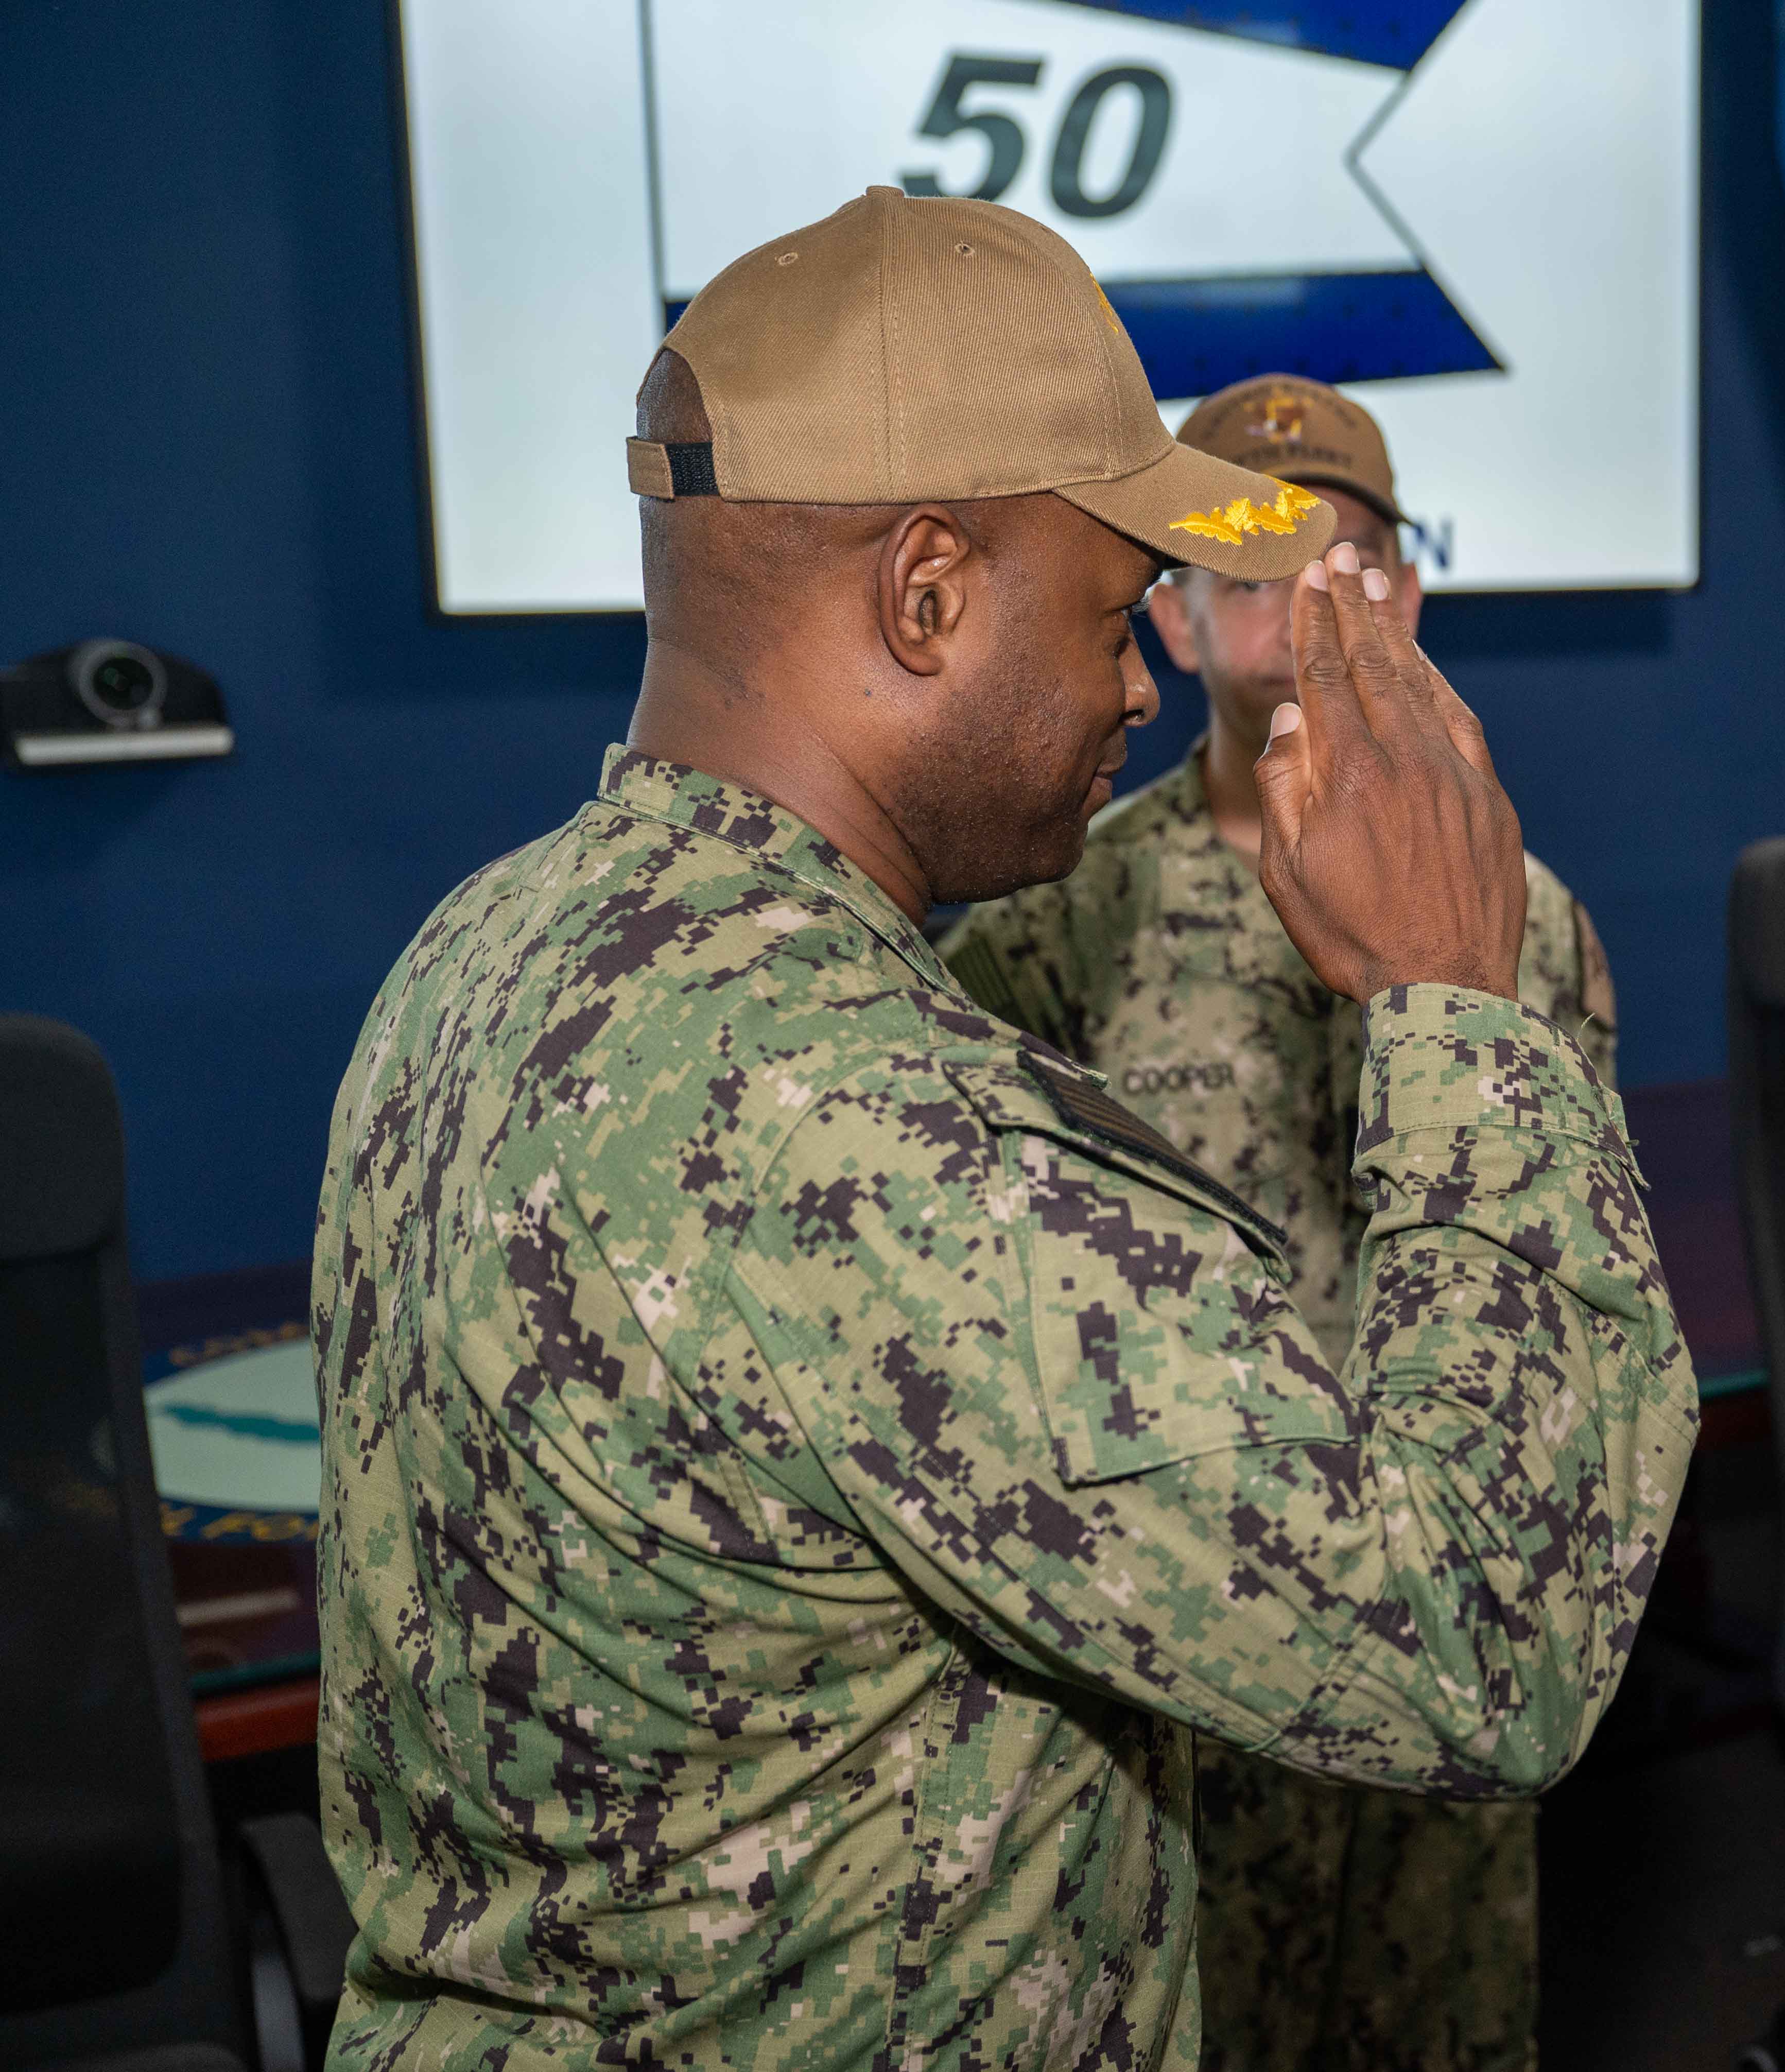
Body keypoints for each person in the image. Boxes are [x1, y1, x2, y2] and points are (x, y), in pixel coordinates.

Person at [311, 187, 1695, 2072]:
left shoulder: (474, 957)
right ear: (929, 591)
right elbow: (1484, 1644)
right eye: (1118, 610)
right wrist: (1459, 1012)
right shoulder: (885, 1136)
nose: (1138, 678)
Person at [938, 374, 1608, 2072]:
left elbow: (1575, 1296)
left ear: (1412, 596)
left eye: (1345, 553)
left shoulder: (1512, 921)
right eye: (1242, 555)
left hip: (1450, 1646)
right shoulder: (1063, 910)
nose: (1298, 589)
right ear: (1164, 607)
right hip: (1187, 1669)